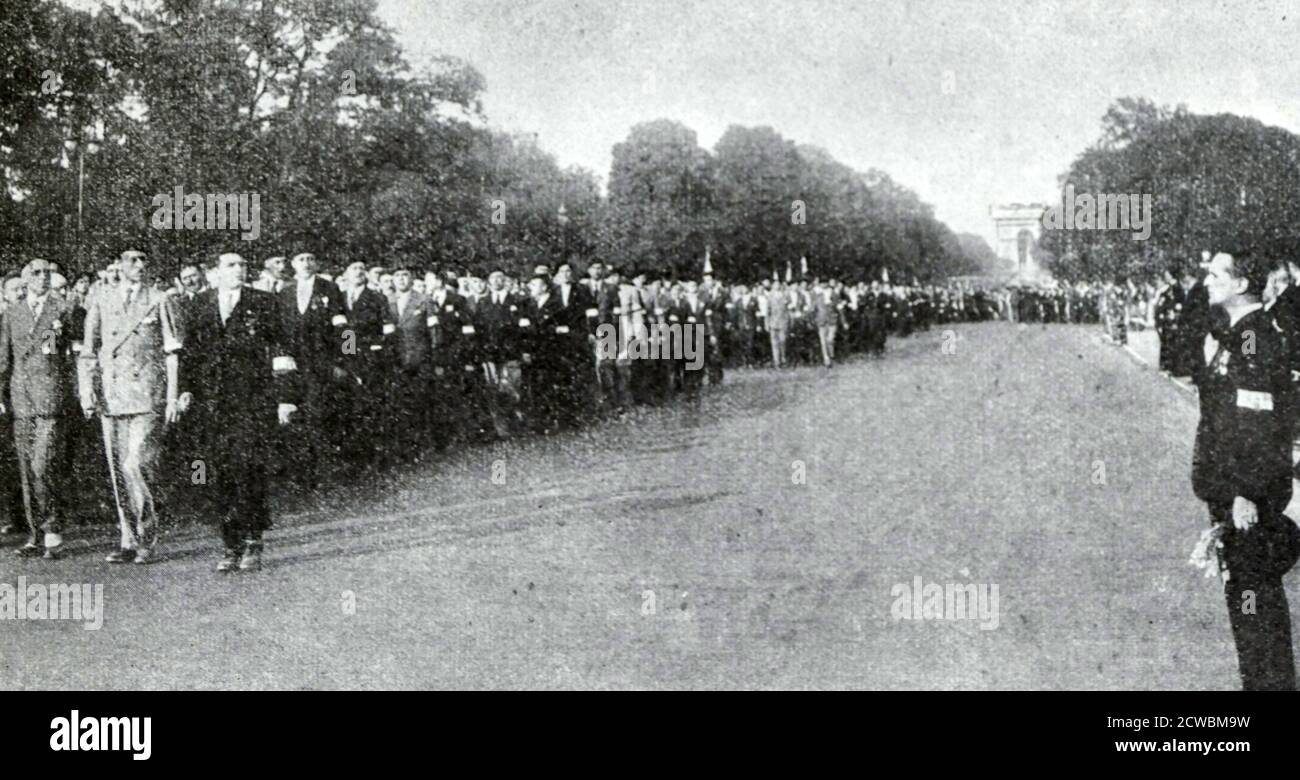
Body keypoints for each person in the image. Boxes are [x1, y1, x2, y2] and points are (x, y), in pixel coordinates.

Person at [1192, 248, 1299, 690]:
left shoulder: (1254, 337)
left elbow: (1257, 422)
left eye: (1216, 275)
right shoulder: (1239, 333)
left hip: (1246, 498)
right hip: (1235, 493)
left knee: (1254, 599)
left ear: (1240, 285)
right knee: (1246, 599)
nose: (1206, 282)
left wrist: (1246, 492)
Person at [179, 252, 296, 572]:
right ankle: (229, 545)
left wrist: (285, 399)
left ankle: (253, 540)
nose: (239, 270)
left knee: (249, 469)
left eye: (243, 265)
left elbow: (283, 351)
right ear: (215, 272)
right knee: (220, 473)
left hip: (253, 401)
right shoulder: (199, 304)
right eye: (231, 265)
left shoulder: (264, 301)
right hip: (213, 403)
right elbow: (190, 352)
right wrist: (185, 390)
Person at [78, 250, 184, 564]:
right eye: (132, 261)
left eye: (143, 261)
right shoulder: (102, 298)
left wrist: (173, 396)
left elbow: (173, 352)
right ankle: (128, 539)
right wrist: (87, 392)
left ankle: (147, 536)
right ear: (119, 267)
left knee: (136, 465)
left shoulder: (159, 298)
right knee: (117, 470)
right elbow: (88, 350)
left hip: (148, 395)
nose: (139, 266)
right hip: (111, 395)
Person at [0, 259, 73, 559]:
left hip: (49, 398)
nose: (42, 278)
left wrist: (52, 329)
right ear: (26, 278)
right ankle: (35, 534)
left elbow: (56, 354)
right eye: (36, 273)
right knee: (27, 470)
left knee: (44, 465)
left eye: (47, 273)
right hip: (21, 400)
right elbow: (5, 359)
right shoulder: (12, 314)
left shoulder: (61, 309)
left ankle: (53, 529)